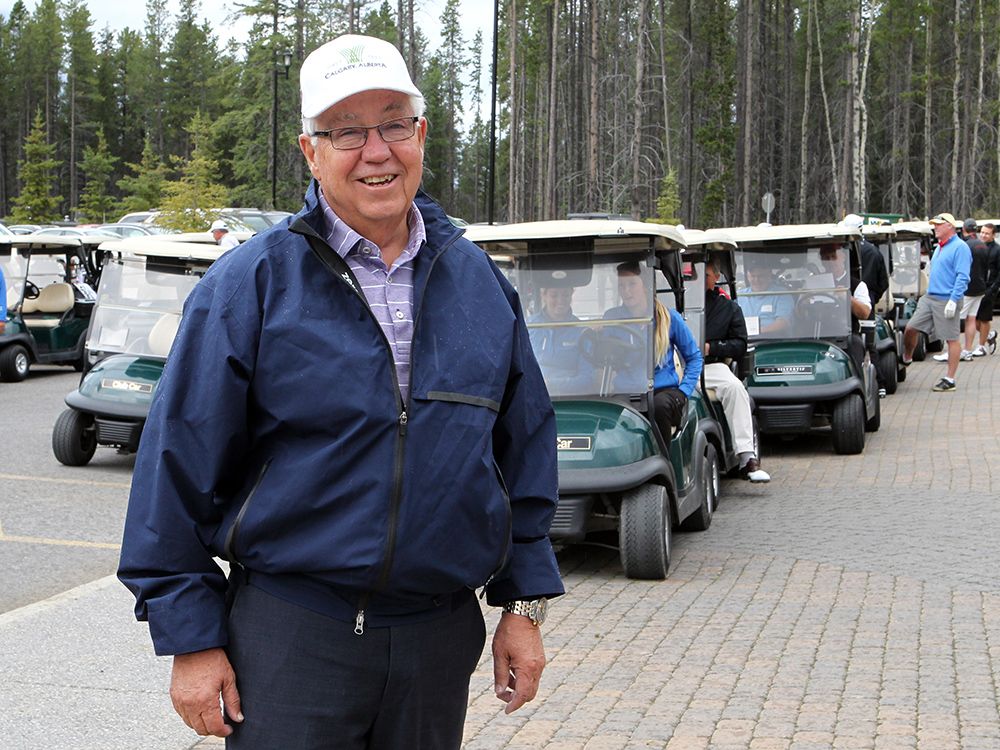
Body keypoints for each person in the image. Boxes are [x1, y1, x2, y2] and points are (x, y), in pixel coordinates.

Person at [118, 34, 563, 749]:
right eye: (347, 131)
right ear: (310, 150)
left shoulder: (482, 286)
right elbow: (174, 470)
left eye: (392, 123)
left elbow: (523, 453)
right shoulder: (249, 286)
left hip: (438, 638)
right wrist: (190, 640)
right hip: (292, 635)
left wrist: (524, 604)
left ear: (420, 135)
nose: (376, 150)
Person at [605, 262, 703, 440]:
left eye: (632, 284)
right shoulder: (612, 318)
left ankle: (664, 462)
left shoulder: (669, 318)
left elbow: (694, 358)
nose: (626, 291)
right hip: (626, 391)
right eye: (621, 286)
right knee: (606, 417)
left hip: (663, 392)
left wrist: (684, 391)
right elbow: (603, 355)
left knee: (658, 406)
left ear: (645, 285)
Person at [703, 257, 769, 482]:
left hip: (709, 366)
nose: (696, 281)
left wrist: (713, 347)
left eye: (705, 276)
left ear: (716, 278)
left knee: (734, 388)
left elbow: (740, 344)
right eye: (690, 277)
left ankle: (746, 457)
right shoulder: (673, 303)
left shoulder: (728, 308)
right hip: (676, 366)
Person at [901, 213, 972, 392]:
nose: (935, 228)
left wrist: (953, 301)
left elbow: (963, 277)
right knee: (910, 328)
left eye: (939, 225)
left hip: (947, 299)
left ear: (950, 226)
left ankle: (950, 379)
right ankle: (907, 357)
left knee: (951, 338)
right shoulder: (940, 247)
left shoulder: (960, 247)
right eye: (934, 225)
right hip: (930, 297)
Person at [527, 282, 596, 393]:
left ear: (571, 295)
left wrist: (549, 384)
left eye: (565, 295)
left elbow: (587, 379)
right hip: (533, 395)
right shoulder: (529, 326)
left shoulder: (582, 332)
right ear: (543, 296)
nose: (560, 301)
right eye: (554, 295)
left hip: (570, 399)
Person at [937, 218, 989, 361]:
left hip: (966, 289)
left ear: (964, 230)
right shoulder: (983, 246)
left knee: (954, 321)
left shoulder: (963, 246)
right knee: (971, 319)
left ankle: (953, 351)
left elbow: (960, 270)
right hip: (980, 287)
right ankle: (967, 350)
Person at [737, 256, 794, 336]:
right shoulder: (739, 296)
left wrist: (755, 332)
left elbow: (783, 322)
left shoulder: (781, 294)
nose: (757, 280)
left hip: (773, 341)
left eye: (761, 276)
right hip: (744, 341)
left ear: (769, 275)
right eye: (753, 276)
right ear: (748, 276)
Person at [973, 222, 999, 354]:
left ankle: (981, 346)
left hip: (989, 289)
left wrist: (993, 289)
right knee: (973, 319)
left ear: (993, 235)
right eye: (982, 232)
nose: (983, 235)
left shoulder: (997, 250)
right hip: (976, 287)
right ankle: (989, 335)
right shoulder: (976, 246)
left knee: (984, 318)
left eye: (987, 233)